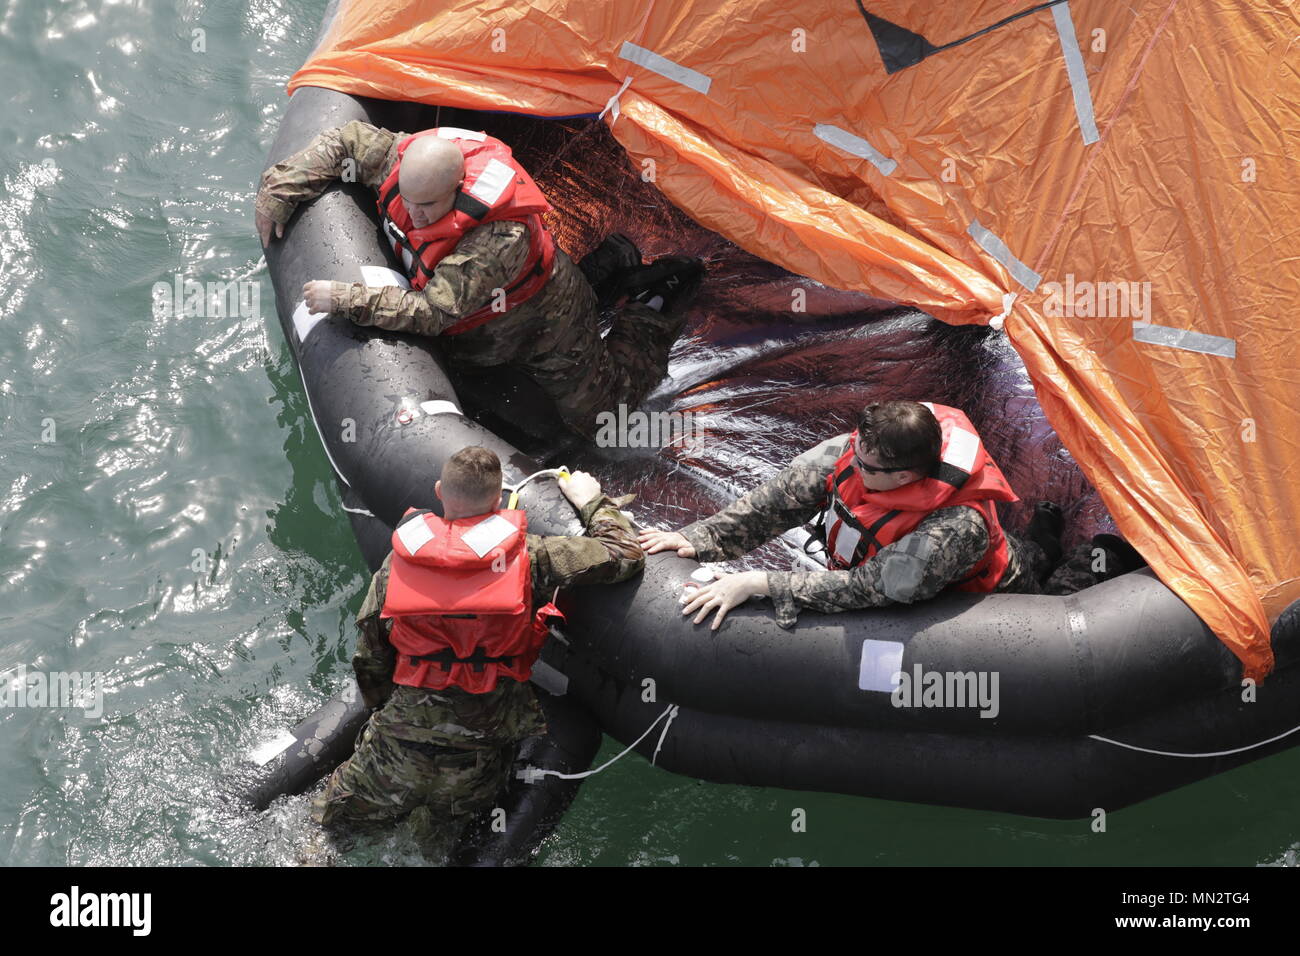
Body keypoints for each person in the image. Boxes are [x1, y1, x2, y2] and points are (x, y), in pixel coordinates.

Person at [255, 121, 704, 438]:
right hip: (494, 308)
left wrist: (347, 297)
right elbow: (344, 139)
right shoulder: (406, 159)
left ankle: (652, 307)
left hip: (547, 322)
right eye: (408, 201)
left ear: (457, 185)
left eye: (427, 207)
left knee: (601, 414)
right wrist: (280, 189)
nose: (413, 215)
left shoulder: (494, 241)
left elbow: (432, 312)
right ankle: (611, 261)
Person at [310, 446, 644, 854]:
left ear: (439, 491)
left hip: (394, 751)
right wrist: (591, 500)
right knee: (436, 848)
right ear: (498, 501)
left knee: (322, 839)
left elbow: (370, 656)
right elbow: (626, 554)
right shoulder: (532, 557)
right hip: (474, 764)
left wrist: (386, 707)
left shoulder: (398, 564)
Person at [639, 399, 1144, 630]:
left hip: (993, 591)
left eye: (866, 465)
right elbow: (776, 500)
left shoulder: (951, 531)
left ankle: (1101, 552)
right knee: (1029, 549)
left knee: (1055, 588)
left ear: (905, 476)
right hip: (991, 550)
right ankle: (1044, 534)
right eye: (855, 451)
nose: (850, 464)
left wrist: (759, 583)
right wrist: (698, 538)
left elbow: (868, 588)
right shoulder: (856, 452)